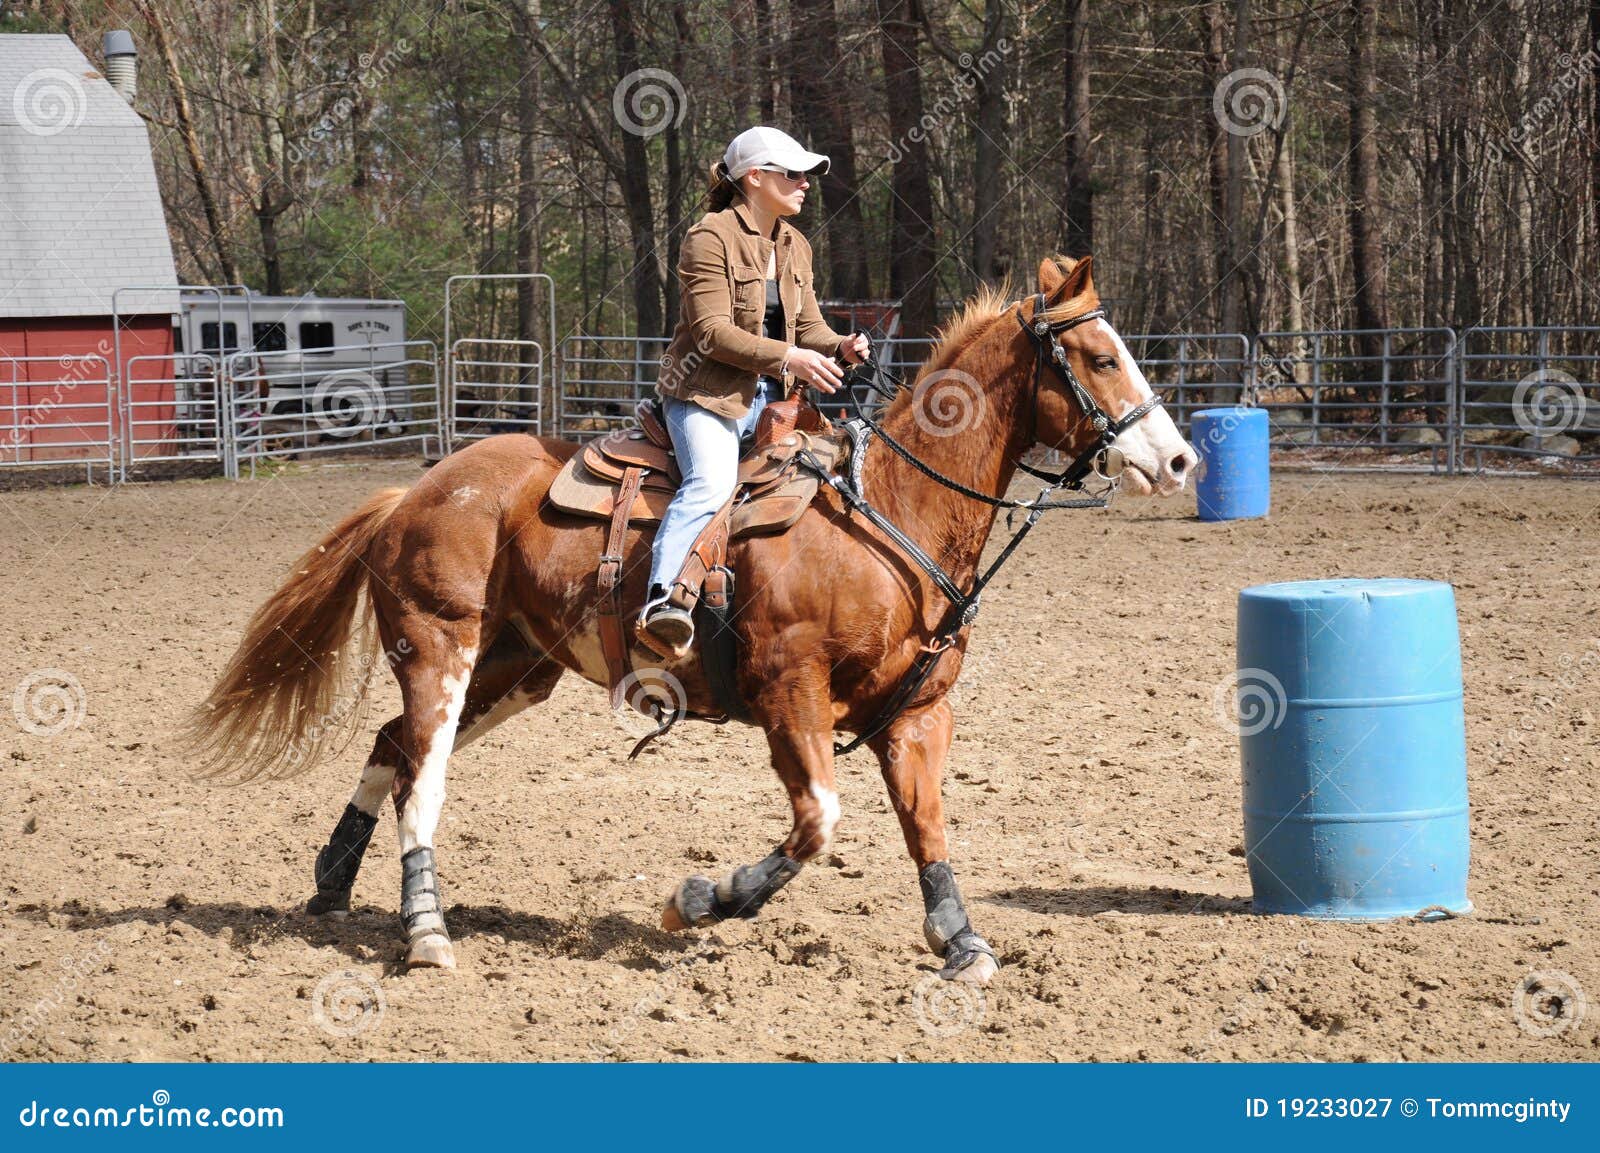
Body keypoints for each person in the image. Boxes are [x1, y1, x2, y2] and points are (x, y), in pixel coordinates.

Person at [640, 126, 870, 650]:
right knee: (712, 483)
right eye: (793, 173)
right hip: (705, 395)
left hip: (773, 402)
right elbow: (712, 333)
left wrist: (840, 347)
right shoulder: (710, 236)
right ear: (755, 177)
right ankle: (665, 598)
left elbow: (808, 328)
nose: (805, 183)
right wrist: (790, 356)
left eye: (807, 174)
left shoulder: (796, 245)